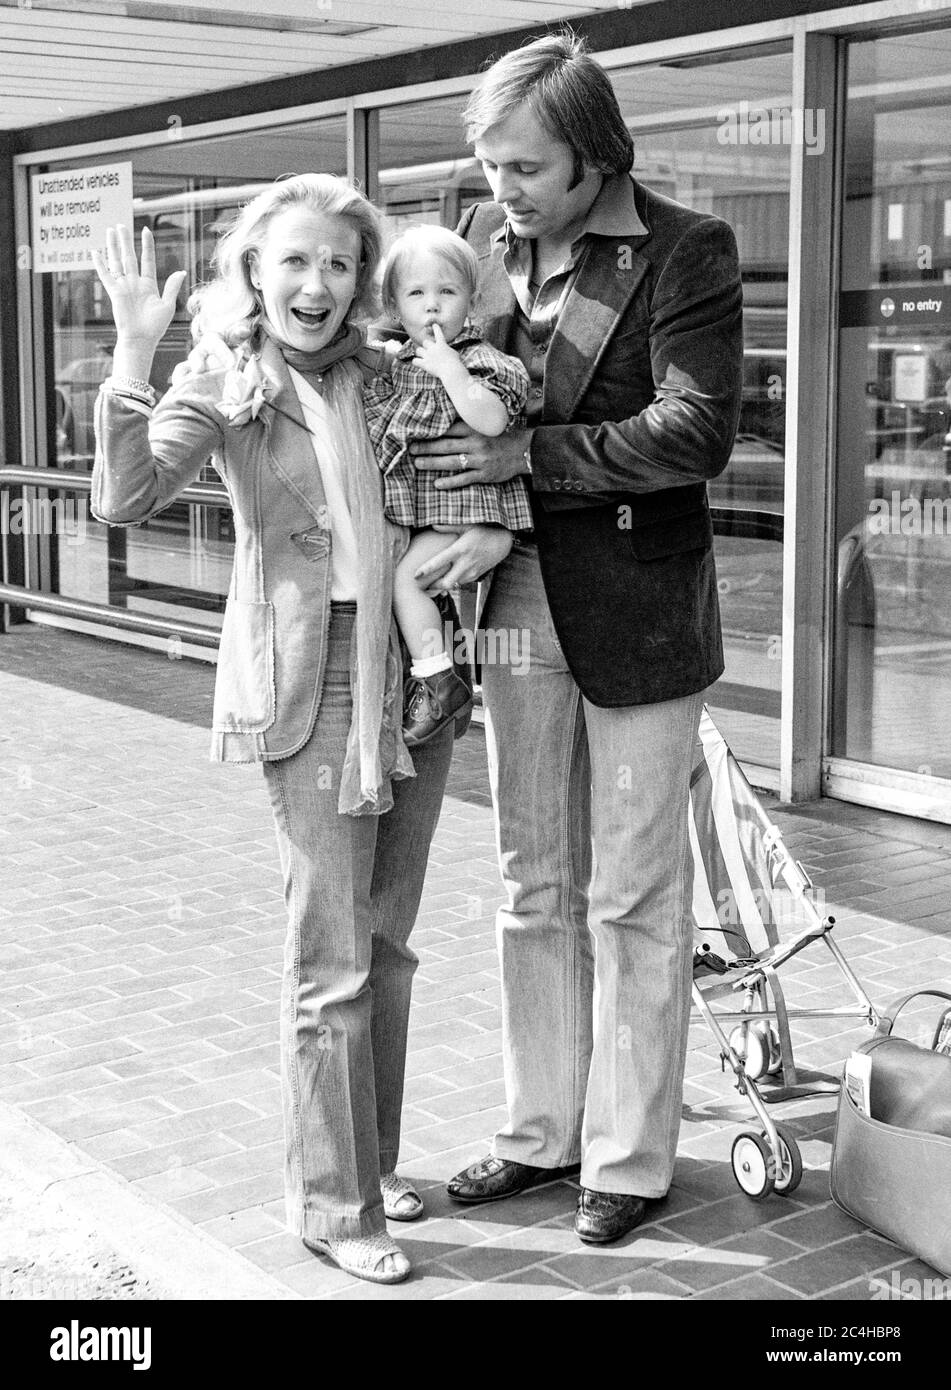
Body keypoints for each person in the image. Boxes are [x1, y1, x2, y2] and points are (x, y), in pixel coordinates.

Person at [90, 174, 510, 1283]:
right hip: (308, 684)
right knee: (330, 963)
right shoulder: (225, 380)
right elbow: (121, 501)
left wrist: (492, 534)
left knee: (388, 951)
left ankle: (367, 1162)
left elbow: (479, 464)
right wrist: (135, 357)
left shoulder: (387, 376)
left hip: (413, 670)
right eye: (294, 261)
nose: (316, 283)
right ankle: (333, 1206)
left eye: (337, 263)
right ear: (254, 274)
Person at [412, 33, 744, 1243]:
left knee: (634, 892)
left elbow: (695, 432)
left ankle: (628, 1155)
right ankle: (537, 1134)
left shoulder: (684, 250)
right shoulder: (482, 253)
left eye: (527, 167)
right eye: (491, 166)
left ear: (597, 154)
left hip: (642, 613)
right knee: (529, 881)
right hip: (510, 608)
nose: (503, 191)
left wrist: (527, 458)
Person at [364, 225, 531, 746]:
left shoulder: (480, 359)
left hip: (463, 507)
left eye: (447, 292)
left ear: (473, 300)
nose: (432, 307)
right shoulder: (396, 361)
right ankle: (445, 676)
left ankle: (438, 681)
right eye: (416, 294)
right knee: (422, 586)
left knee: (407, 580)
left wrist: (453, 372)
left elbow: (493, 421)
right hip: (428, 509)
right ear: (394, 304)